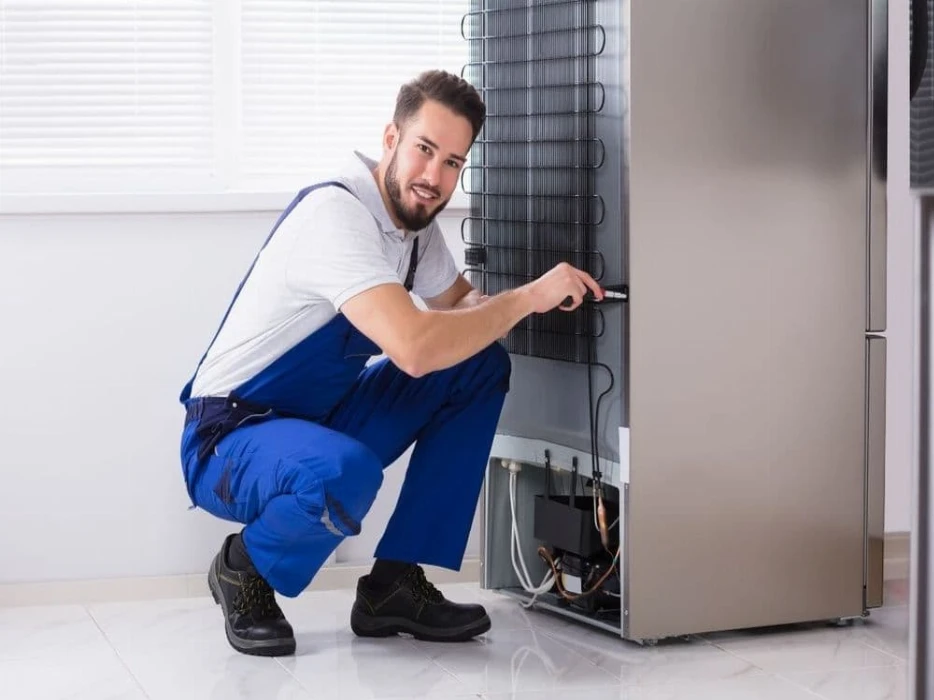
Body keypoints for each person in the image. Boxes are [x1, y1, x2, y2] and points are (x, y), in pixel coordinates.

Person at [178, 69, 604, 657]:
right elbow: (416, 346)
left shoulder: (412, 230)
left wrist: (539, 293)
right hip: (230, 435)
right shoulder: (339, 215)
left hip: (317, 419)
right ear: (391, 139)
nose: (434, 177)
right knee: (341, 470)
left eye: (453, 162)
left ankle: (392, 586)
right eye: (425, 150)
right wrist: (526, 297)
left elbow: (463, 313)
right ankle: (242, 570)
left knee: (479, 367)